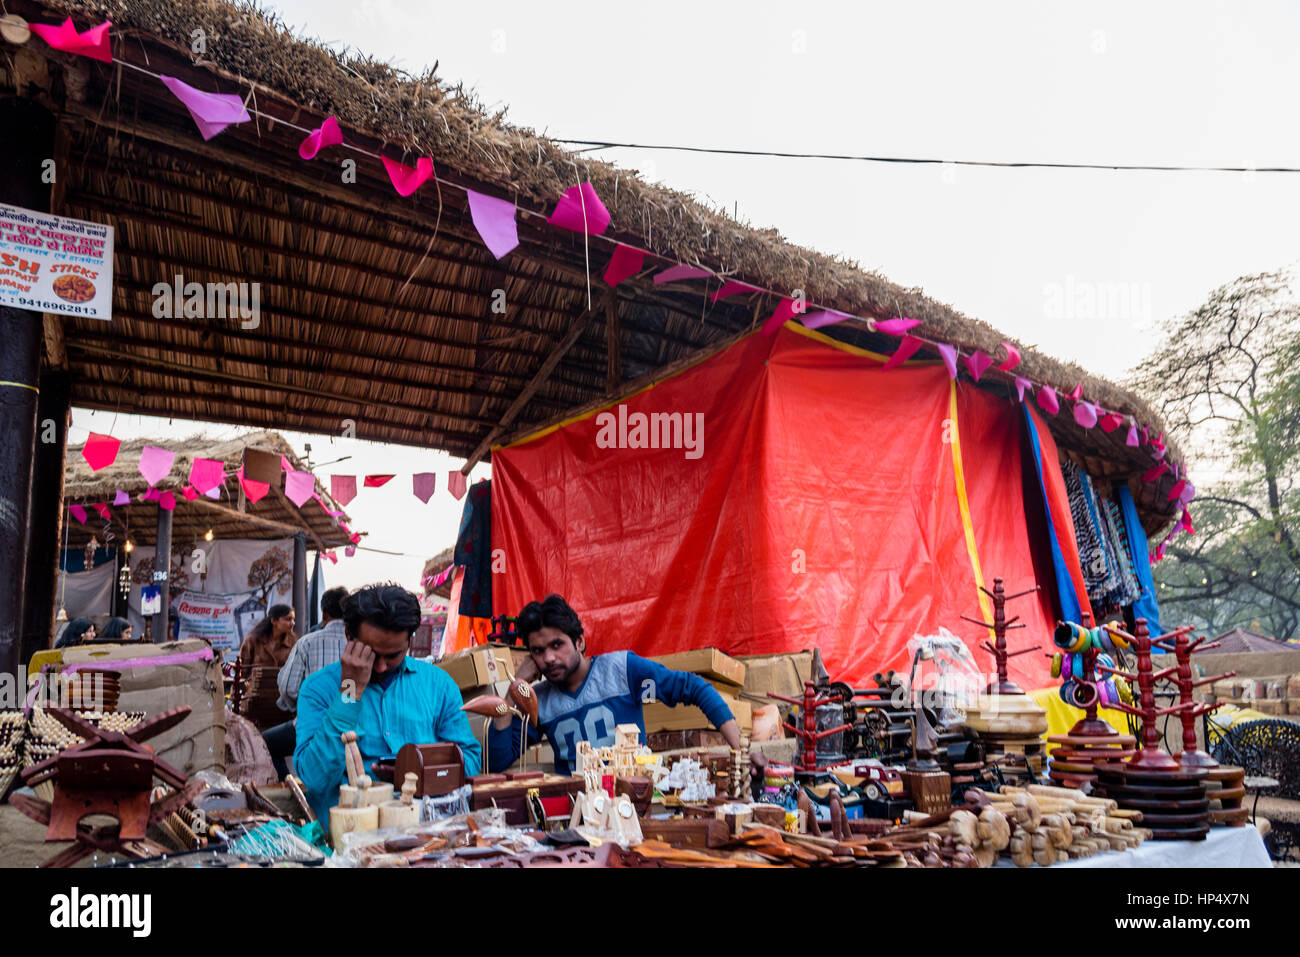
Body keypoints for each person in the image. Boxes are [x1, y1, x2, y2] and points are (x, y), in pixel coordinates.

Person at [487, 595, 748, 775]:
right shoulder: (539, 700)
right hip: (576, 812)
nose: (549, 658)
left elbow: (693, 688)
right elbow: (497, 762)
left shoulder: (623, 671)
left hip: (633, 800)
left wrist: (740, 752)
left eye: (557, 645)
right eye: (538, 651)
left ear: (579, 642)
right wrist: (514, 689)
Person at [294, 583, 481, 823]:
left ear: (409, 643)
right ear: (349, 636)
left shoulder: (439, 685)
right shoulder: (317, 688)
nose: (381, 666)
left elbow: (471, 761)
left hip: (424, 832)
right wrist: (349, 692)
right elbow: (314, 780)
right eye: (370, 653)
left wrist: (419, 772)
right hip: (347, 836)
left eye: (393, 655)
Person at [261, 587, 349, 780]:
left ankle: (289, 787)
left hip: (312, 724)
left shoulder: (306, 642)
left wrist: (305, 705)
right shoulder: (360, 644)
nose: (291, 623)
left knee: (265, 742)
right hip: (352, 725)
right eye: (287, 619)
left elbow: (289, 688)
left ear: (324, 614)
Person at [237, 603, 297, 668]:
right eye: (288, 619)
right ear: (273, 621)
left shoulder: (293, 643)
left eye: (293, 619)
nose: (293, 623)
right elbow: (242, 669)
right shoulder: (253, 640)